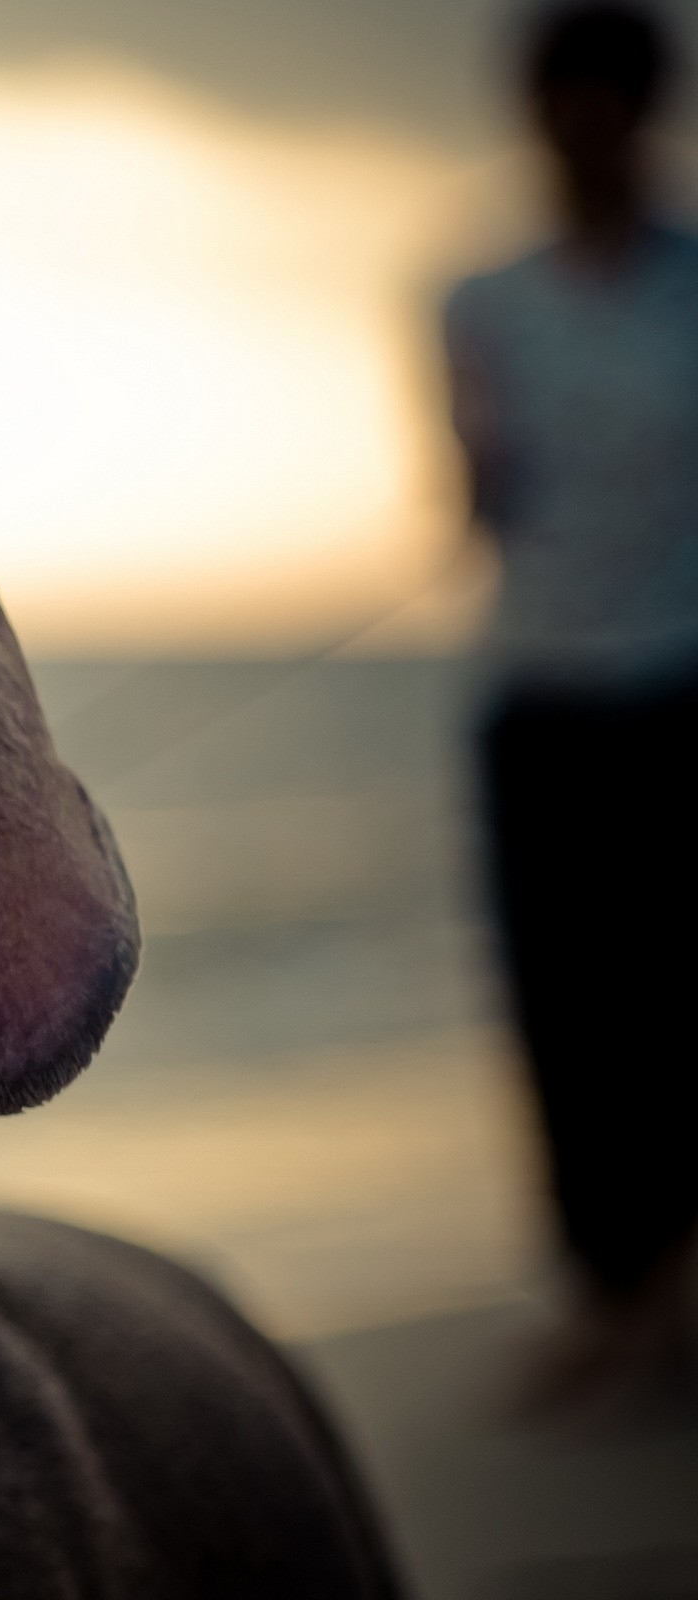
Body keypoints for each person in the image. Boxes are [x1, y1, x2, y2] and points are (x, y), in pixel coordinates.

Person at [444, 1, 698, 1412]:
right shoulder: (479, 297)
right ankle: (614, 1294)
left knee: (672, 993)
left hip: (682, 678)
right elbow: (482, 493)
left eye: (610, 99)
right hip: (537, 689)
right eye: (564, 101)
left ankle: (662, 1292)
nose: (585, 127)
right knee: (566, 1008)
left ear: (645, 111)